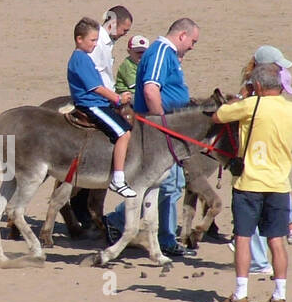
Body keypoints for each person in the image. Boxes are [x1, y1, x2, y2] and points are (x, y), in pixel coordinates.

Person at [213, 62, 292, 302]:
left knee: (243, 238)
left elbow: (218, 115)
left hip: (249, 183)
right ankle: (279, 295)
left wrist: (243, 96)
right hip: (279, 184)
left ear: (259, 85)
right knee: (276, 241)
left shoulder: (251, 105)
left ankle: (240, 294)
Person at [134, 17, 200, 258]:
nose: (193, 46)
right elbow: (151, 90)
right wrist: (163, 124)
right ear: (182, 35)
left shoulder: (168, 54)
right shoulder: (162, 51)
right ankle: (120, 222)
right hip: (159, 128)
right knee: (165, 183)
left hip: (164, 127)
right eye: (192, 41)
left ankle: (165, 237)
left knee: (170, 184)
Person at [69, 18, 137, 198]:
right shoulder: (80, 59)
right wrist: (117, 98)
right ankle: (118, 179)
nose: (94, 44)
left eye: (96, 40)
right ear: (79, 39)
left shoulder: (84, 58)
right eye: (92, 40)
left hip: (98, 102)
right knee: (124, 133)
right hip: (91, 105)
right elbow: (96, 87)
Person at [115, 33, 148, 98]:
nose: (141, 55)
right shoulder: (127, 65)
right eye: (138, 52)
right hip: (127, 93)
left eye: (144, 52)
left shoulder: (144, 63)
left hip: (138, 91)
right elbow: (135, 85)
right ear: (129, 51)